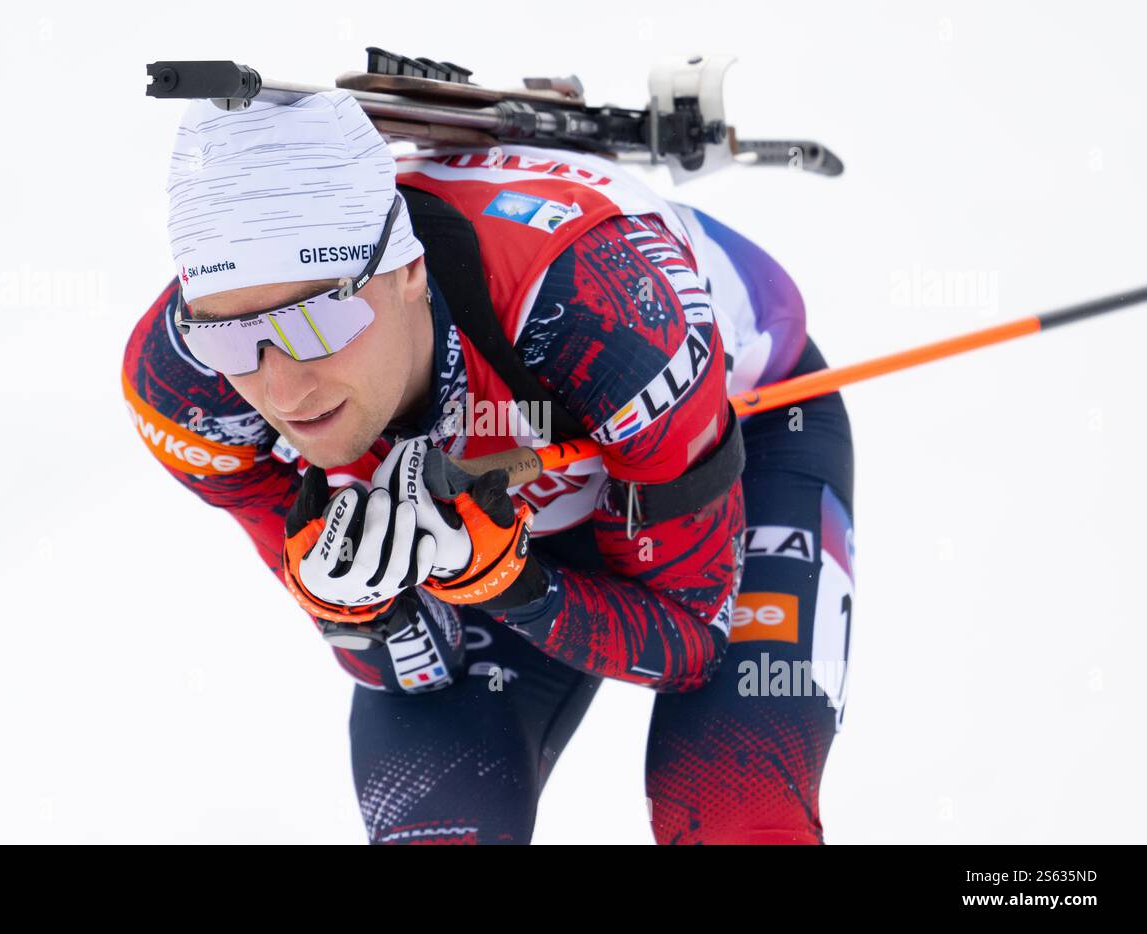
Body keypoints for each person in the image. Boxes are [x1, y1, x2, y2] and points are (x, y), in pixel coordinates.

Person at [123, 88, 855, 844]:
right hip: (504, 513)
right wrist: (365, 611)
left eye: (315, 320)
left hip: (741, 440)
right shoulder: (184, 389)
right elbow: (418, 674)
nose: (282, 391)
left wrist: (513, 584)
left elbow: (690, 642)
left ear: (407, 268)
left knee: (741, 822)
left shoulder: (598, 307)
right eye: (228, 337)